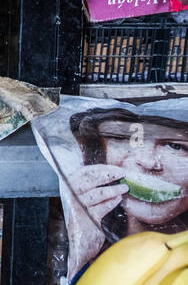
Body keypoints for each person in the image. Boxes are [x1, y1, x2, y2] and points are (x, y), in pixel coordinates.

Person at [64, 105, 188, 275]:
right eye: (126, 139)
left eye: (175, 146)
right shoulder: (60, 237)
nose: (148, 162)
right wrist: (81, 252)